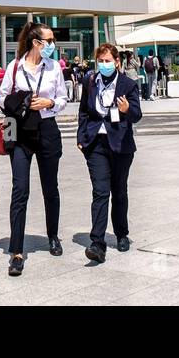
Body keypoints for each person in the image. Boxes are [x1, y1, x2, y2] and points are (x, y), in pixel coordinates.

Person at [0, 21, 69, 277]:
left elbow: (63, 98)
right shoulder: (14, 66)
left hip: (47, 130)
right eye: (48, 41)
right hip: (20, 133)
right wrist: (21, 102)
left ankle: (53, 236)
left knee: (51, 188)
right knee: (20, 190)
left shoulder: (54, 67)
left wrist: (48, 103)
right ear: (35, 42)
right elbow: (1, 97)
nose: (52, 45)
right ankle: (16, 251)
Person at [76, 43, 142, 262]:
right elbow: (84, 110)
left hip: (121, 144)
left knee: (119, 191)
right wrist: (81, 136)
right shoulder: (90, 81)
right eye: (100, 61)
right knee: (100, 191)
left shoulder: (128, 84)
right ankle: (97, 242)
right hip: (96, 143)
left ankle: (122, 233)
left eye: (107, 61)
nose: (104, 65)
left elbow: (136, 114)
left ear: (117, 62)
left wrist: (126, 110)